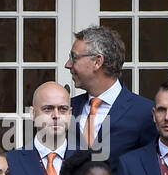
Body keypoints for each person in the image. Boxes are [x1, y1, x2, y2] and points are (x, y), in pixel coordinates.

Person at [65, 26, 157, 164]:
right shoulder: (67, 108)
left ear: (97, 61)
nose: (68, 65)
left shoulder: (144, 113)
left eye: (74, 57)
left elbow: (149, 168)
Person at [6, 81, 79, 175]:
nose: (56, 115)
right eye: (48, 109)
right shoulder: (10, 162)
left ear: (70, 114)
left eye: (63, 109)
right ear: (33, 113)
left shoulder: (88, 161)